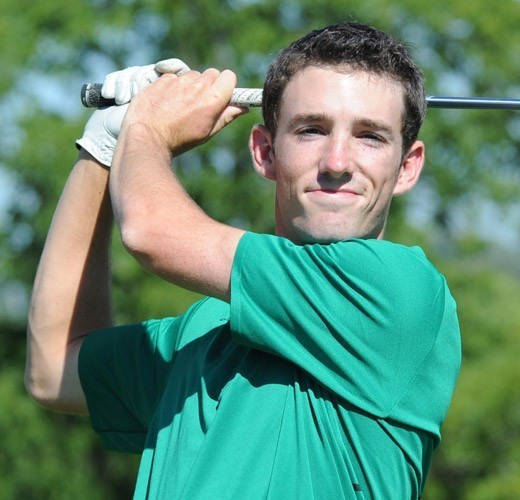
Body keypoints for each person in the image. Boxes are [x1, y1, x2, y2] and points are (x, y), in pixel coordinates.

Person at [25, 22, 461, 498]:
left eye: (370, 137)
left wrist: (145, 128)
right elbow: (53, 369)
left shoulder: (400, 291)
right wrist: (102, 149)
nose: (337, 161)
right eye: (311, 130)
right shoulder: (206, 329)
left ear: (408, 166)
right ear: (266, 152)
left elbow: (150, 230)